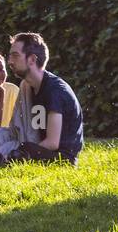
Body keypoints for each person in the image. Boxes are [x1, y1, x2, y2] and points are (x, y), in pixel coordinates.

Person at [6, 30, 84, 164]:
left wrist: (21, 151)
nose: (10, 62)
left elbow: (53, 143)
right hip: (40, 149)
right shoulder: (28, 86)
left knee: (19, 150)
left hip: (61, 158)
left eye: (15, 56)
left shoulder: (55, 91)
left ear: (32, 59)